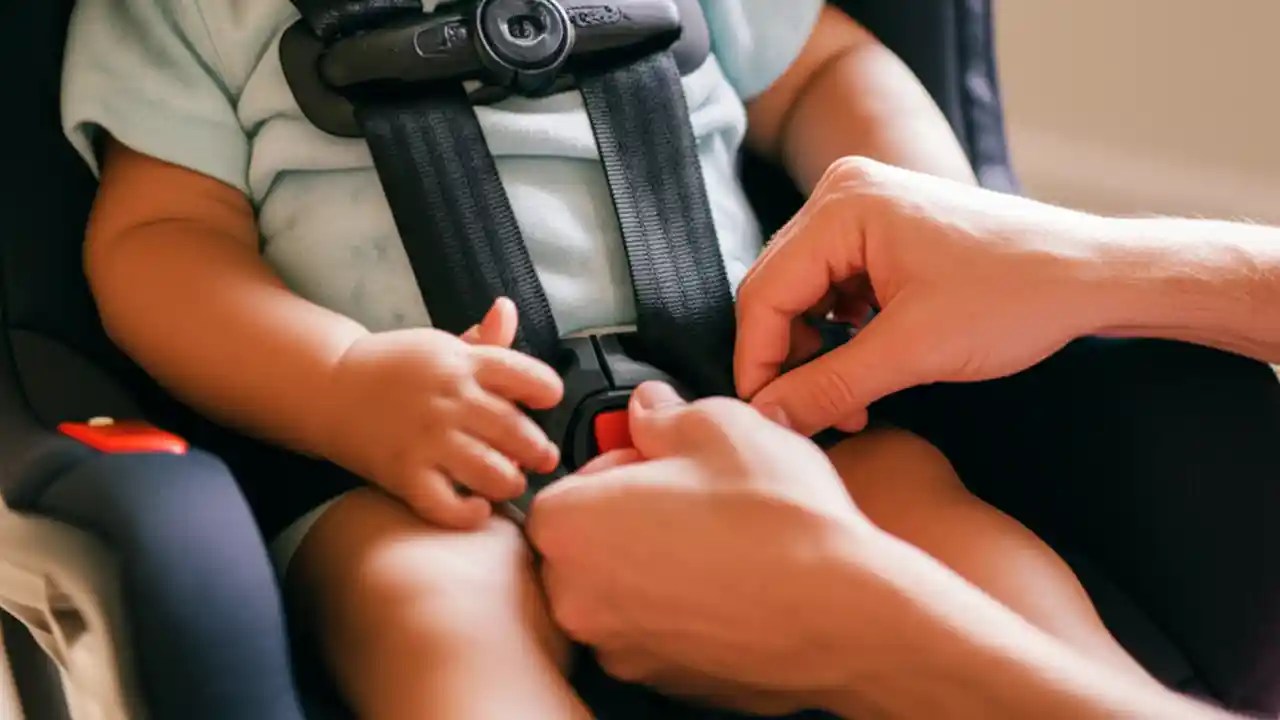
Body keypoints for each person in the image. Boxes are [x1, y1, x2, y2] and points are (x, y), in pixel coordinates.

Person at [64, 3, 1144, 718]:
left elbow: (828, 70)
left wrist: (920, 208)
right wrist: (342, 381)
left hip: (755, 405)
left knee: (921, 505)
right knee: (420, 602)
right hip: (415, 460)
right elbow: (157, 244)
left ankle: (1087, 688)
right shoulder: (197, 13)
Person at [530, 157, 1280, 718]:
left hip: (754, 401)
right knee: (444, 584)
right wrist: (1082, 259)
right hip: (482, 427)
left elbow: (824, 60)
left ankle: (1106, 676)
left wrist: (863, 632)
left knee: (897, 469)